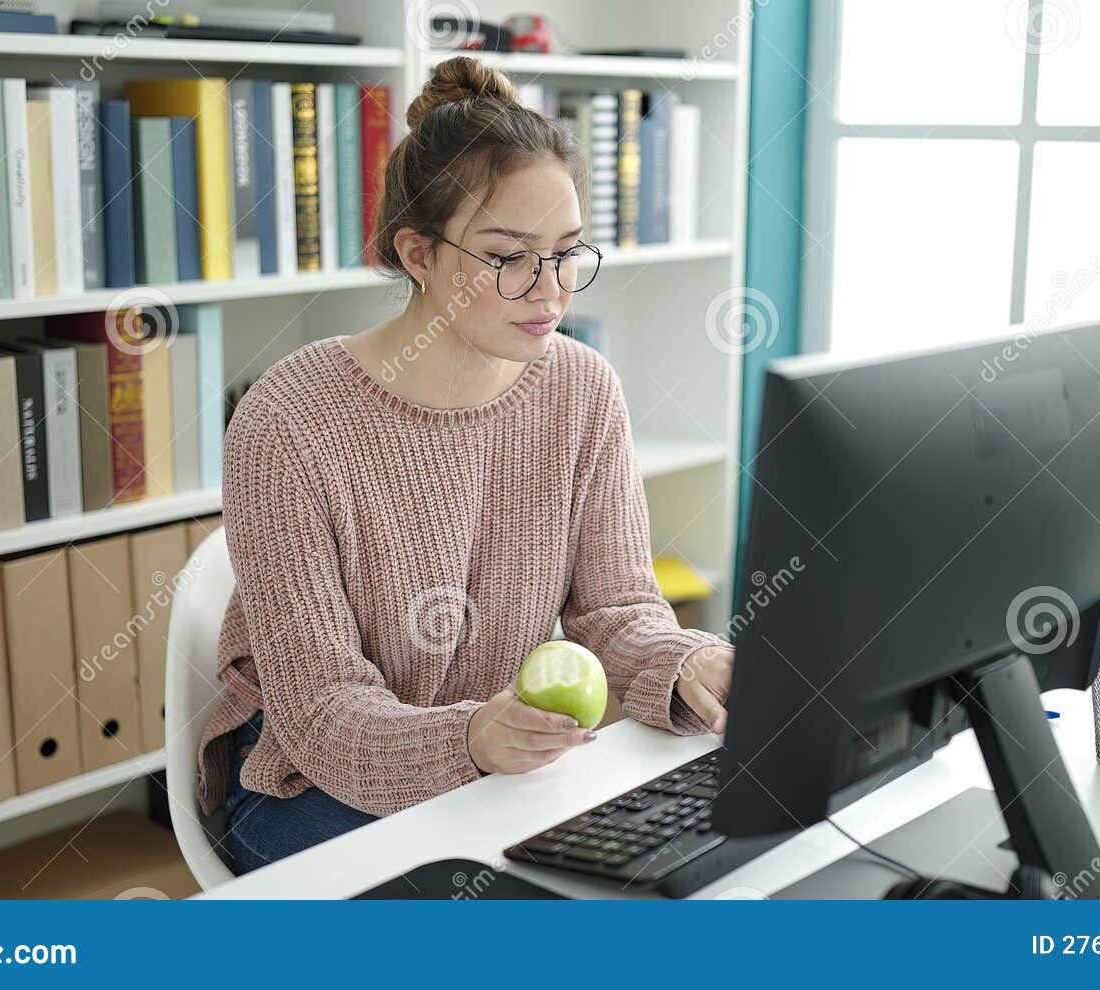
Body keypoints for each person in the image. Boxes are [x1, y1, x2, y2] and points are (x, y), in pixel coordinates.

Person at [193, 56, 735, 876]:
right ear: (419, 254)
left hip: (496, 773)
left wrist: (686, 662)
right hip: (310, 787)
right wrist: (471, 737)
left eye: (567, 253)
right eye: (510, 257)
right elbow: (321, 710)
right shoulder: (290, 418)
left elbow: (617, 608)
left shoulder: (582, 389)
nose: (550, 292)